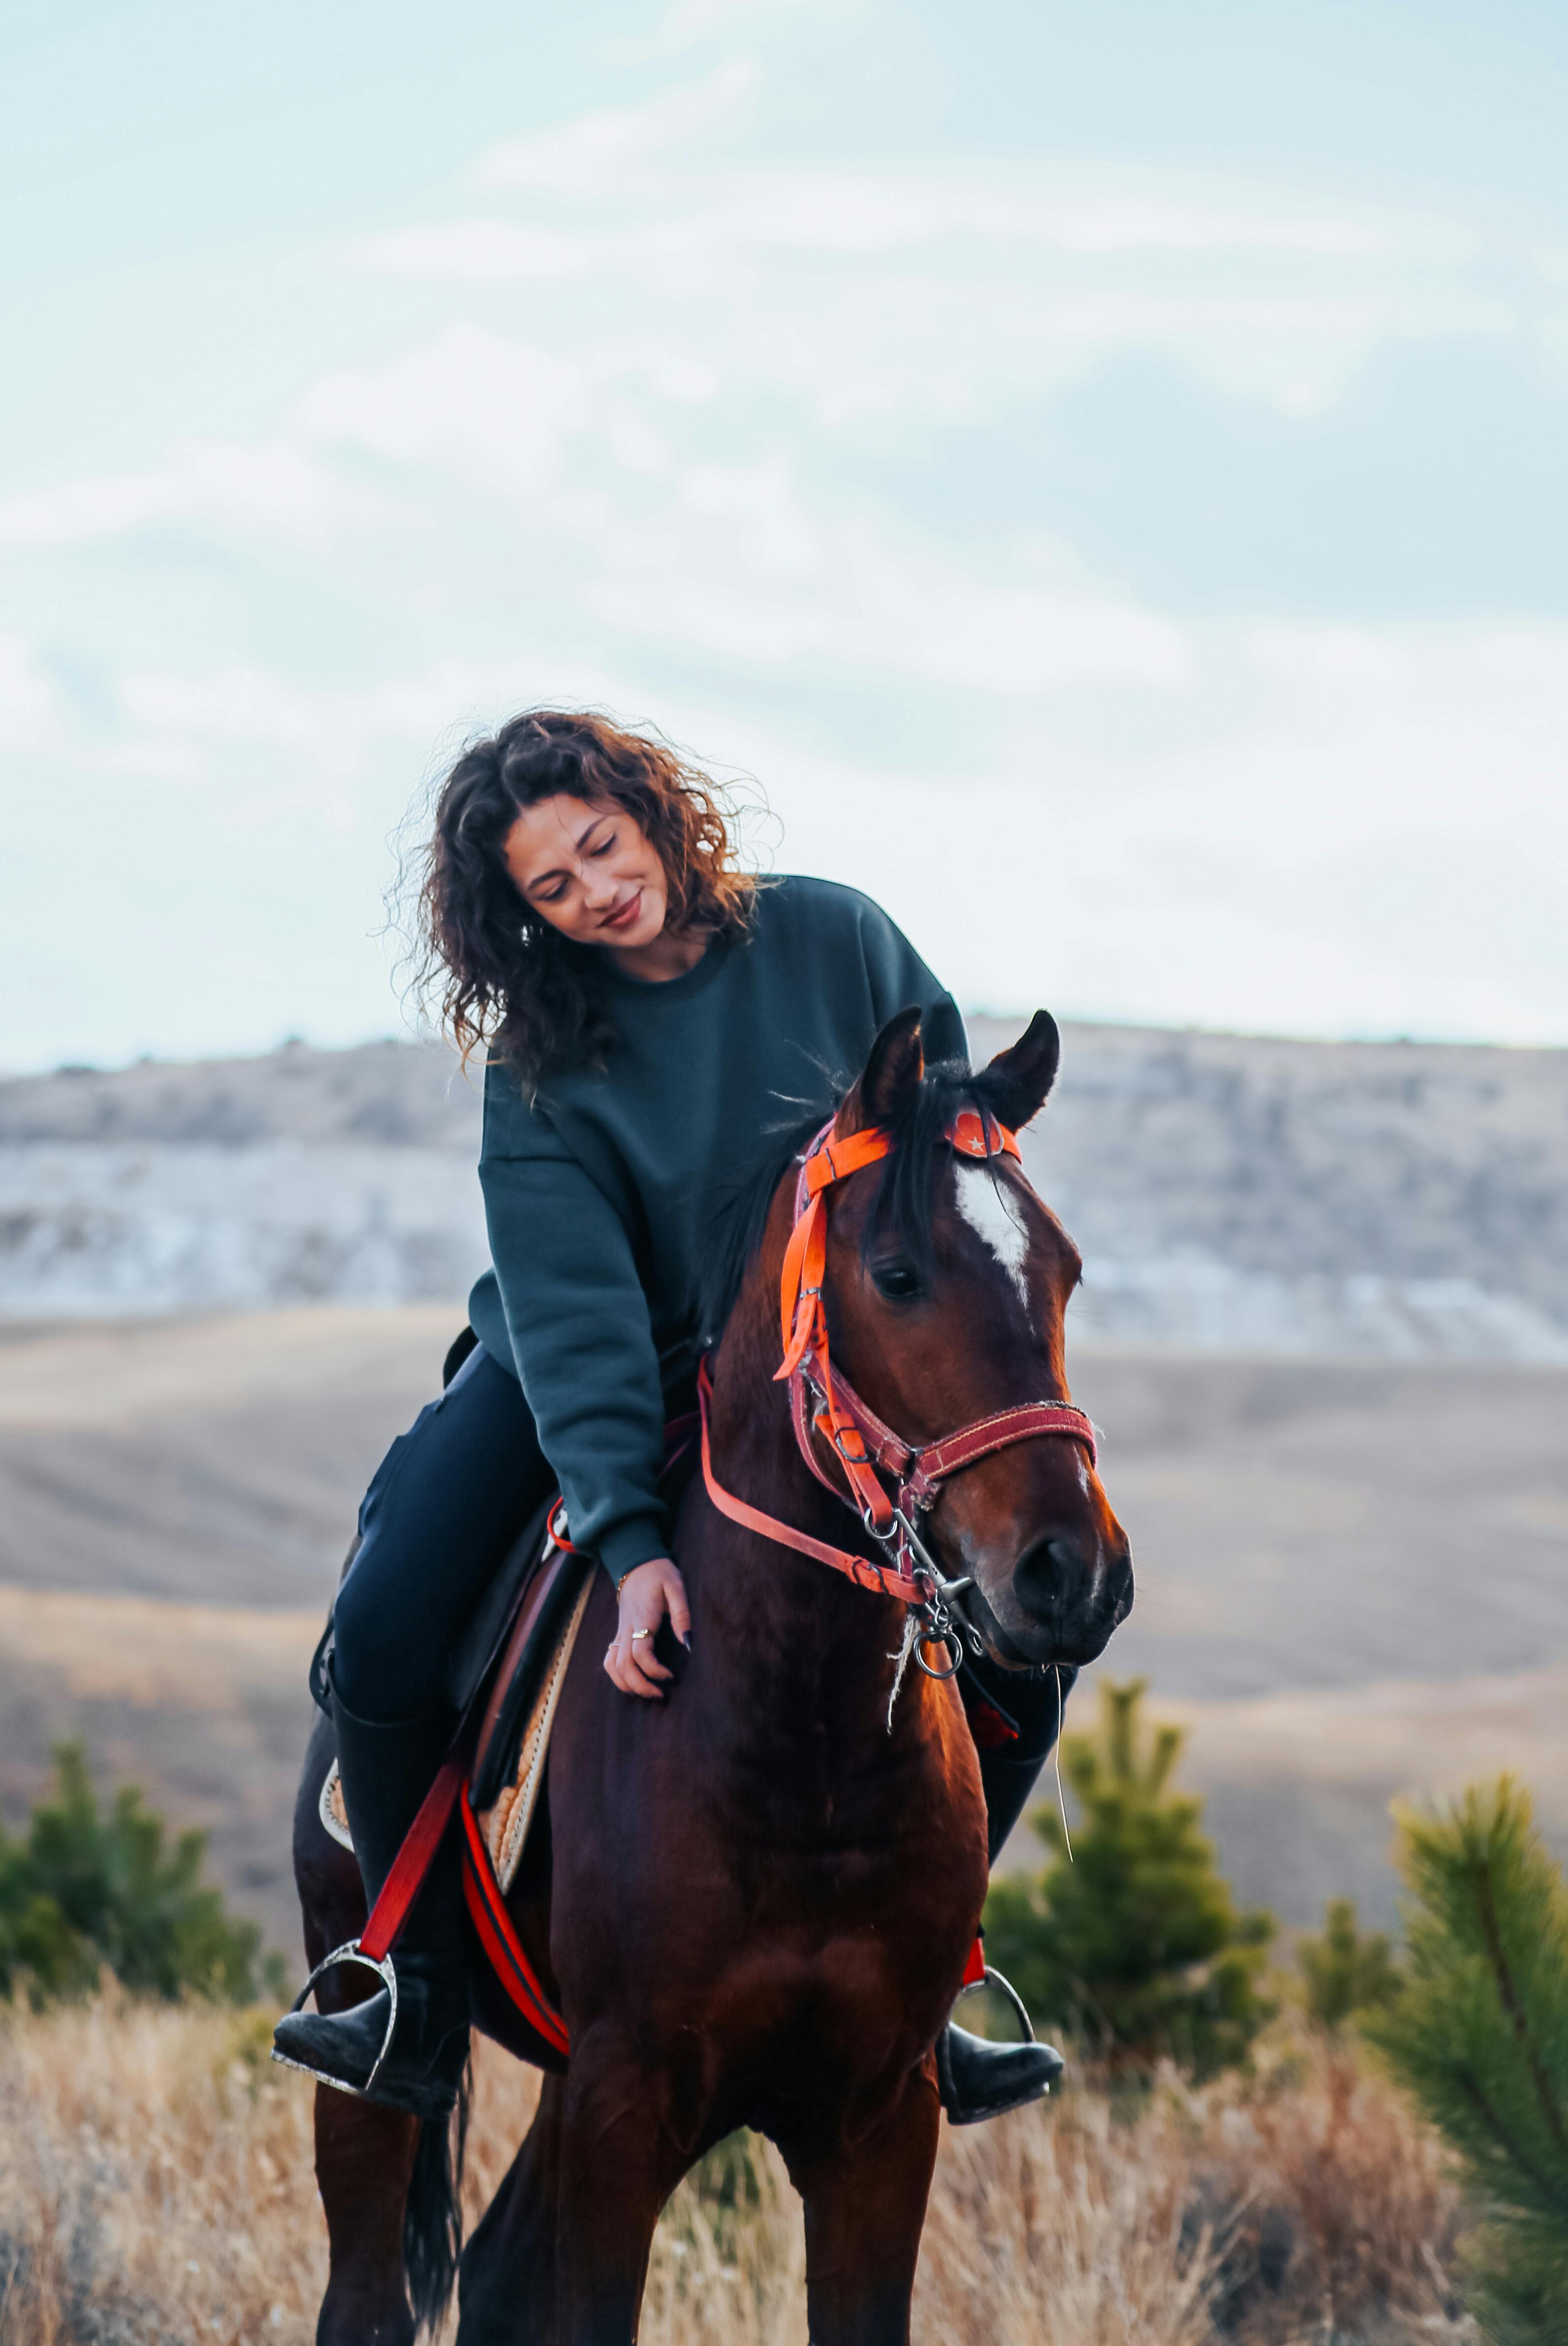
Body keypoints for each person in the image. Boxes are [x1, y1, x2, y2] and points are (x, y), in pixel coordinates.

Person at [273, 710, 1068, 2121]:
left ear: (652, 809)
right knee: (386, 1625)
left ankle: (940, 1979)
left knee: (1039, 1611)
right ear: (522, 920)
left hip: (821, 1378)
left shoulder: (837, 940)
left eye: (599, 844)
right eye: (551, 889)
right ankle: (412, 1991)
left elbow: (953, 1158)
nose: (596, 891)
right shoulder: (541, 1059)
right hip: (586, 1367)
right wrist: (634, 1542)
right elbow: (575, 1311)